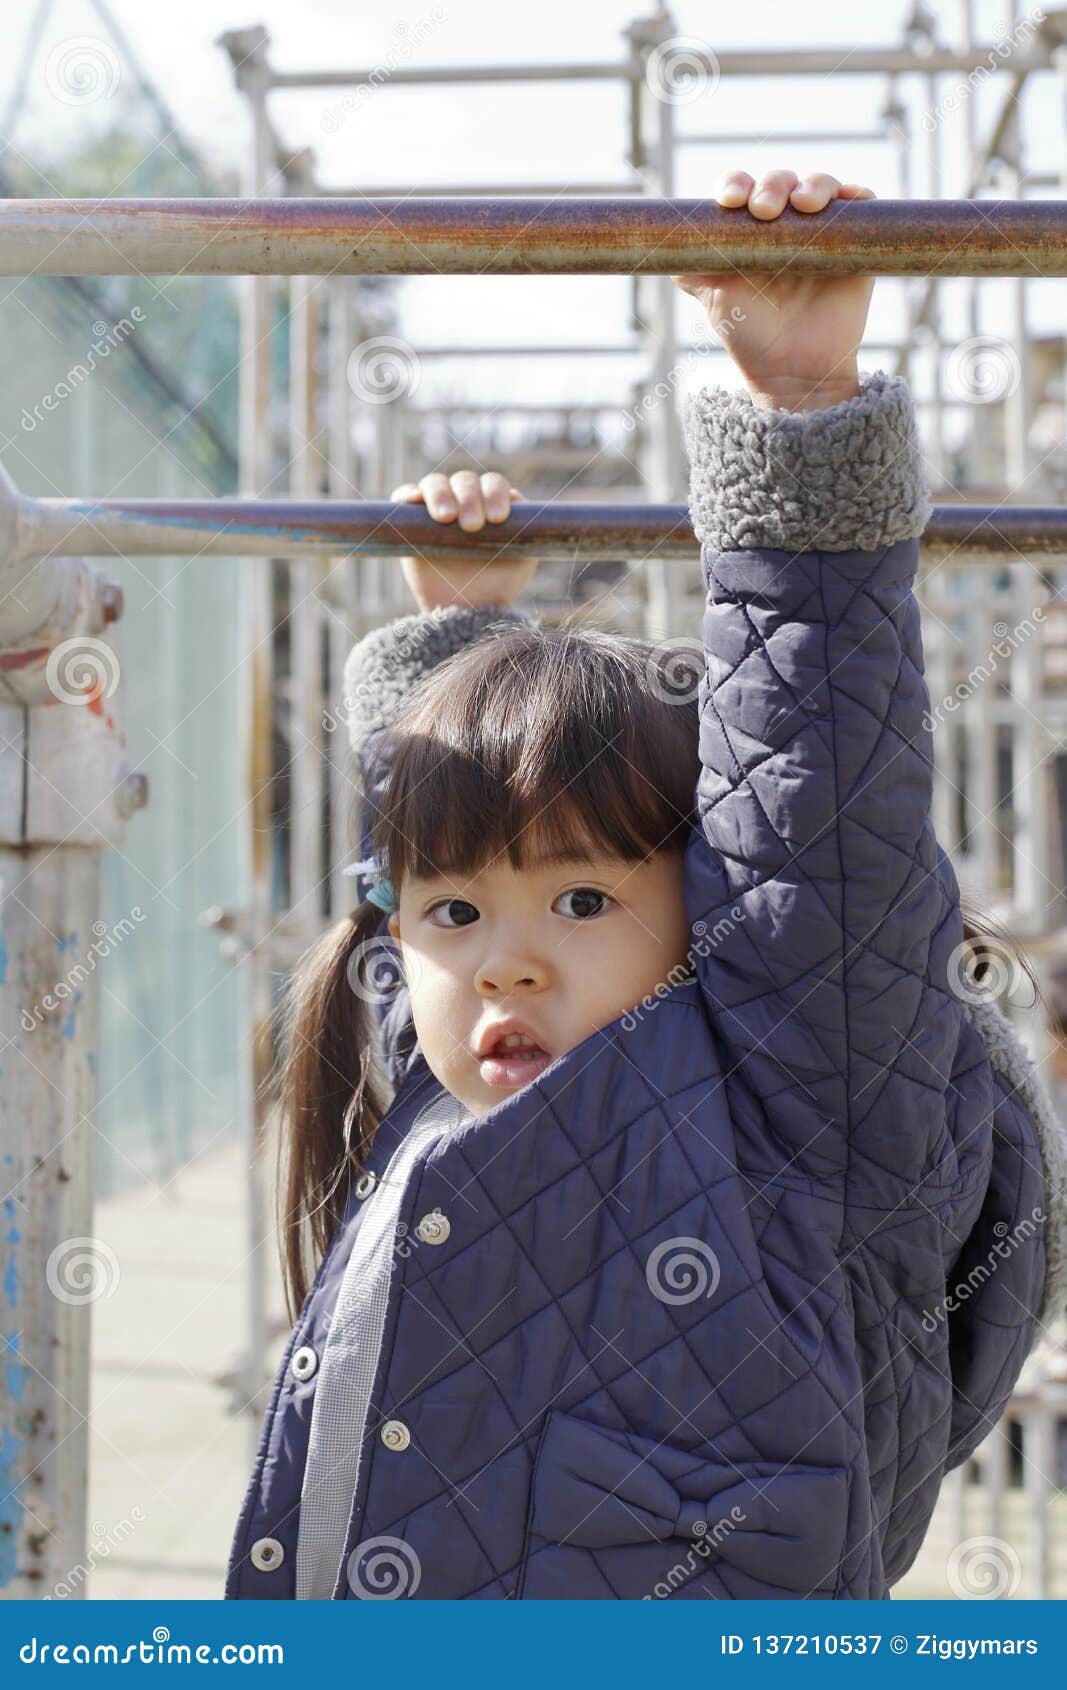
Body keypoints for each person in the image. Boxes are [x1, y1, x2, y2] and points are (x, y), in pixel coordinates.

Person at [225, 169, 1067, 1602]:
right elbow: (432, 896)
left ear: (709, 910)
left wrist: (799, 404)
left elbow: (818, 813)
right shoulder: (451, 1093)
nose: (505, 961)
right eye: (456, 916)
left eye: (583, 901)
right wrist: (455, 648)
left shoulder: (800, 1097)